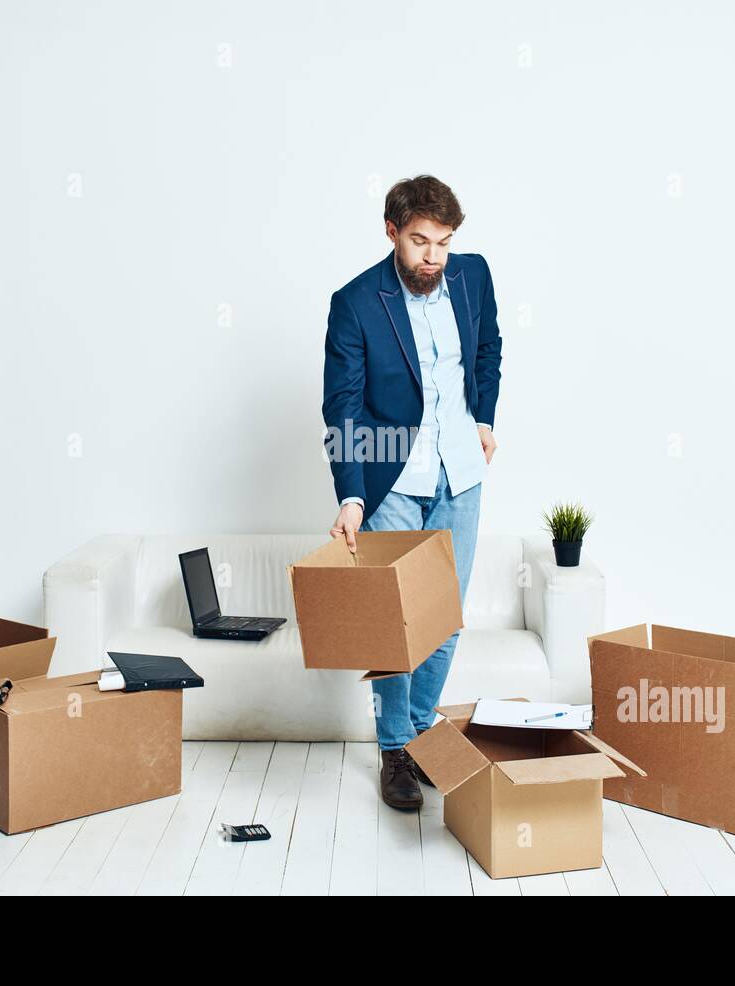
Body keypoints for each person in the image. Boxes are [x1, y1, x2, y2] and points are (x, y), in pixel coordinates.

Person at [321, 174, 502, 809]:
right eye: (420, 242)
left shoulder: (473, 277)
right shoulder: (355, 303)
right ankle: (394, 746)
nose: (433, 258)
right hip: (393, 478)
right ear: (392, 232)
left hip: (462, 473)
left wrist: (483, 421)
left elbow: (488, 353)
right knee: (396, 623)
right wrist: (351, 496)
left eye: (443, 243)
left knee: (443, 616)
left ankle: (423, 732)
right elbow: (342, 406)